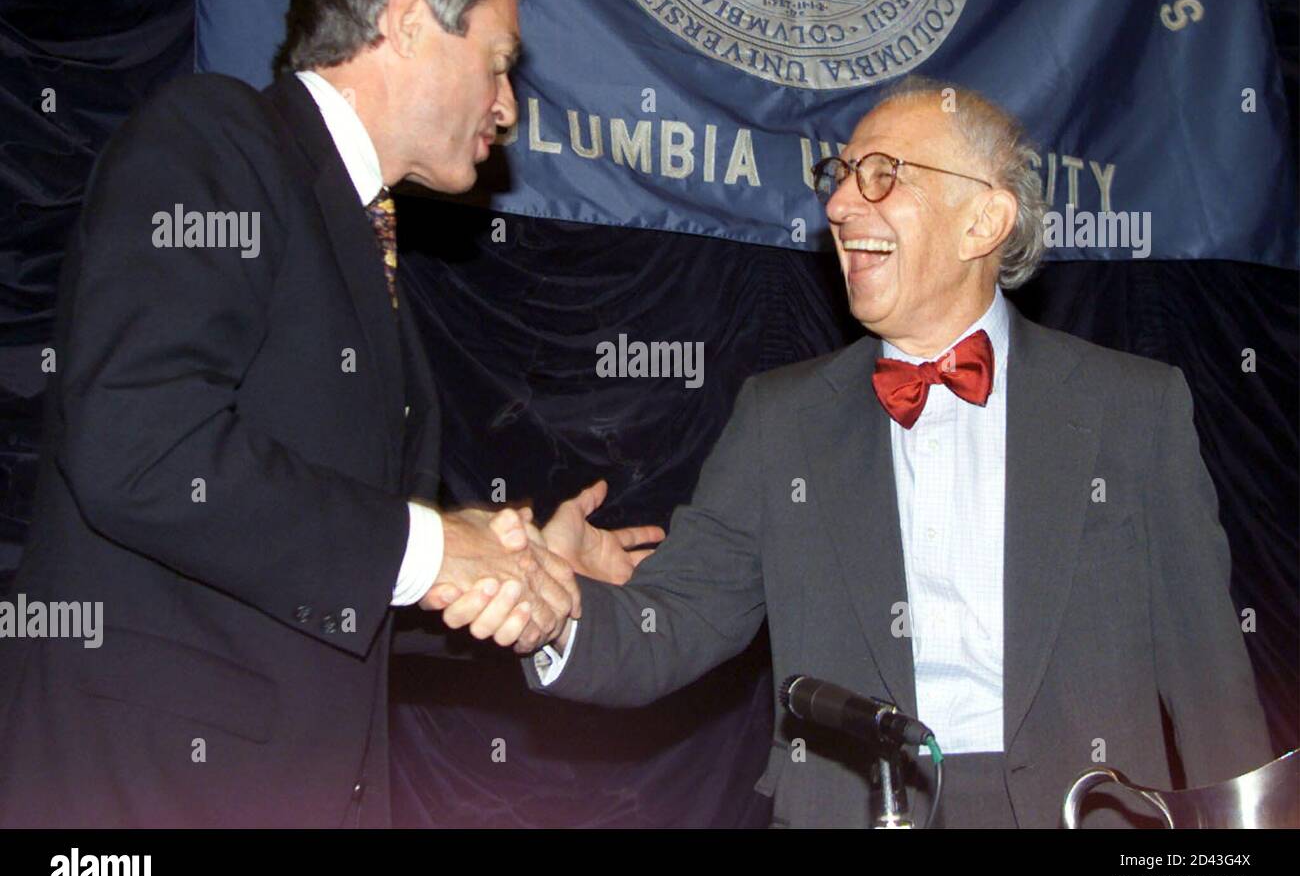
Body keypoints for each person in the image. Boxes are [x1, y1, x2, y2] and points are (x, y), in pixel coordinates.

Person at [0, 0, 653, 828]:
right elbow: (141, 448)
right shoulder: (215, 137)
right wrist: (434, 549)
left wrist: (522, 570)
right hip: (146, 794)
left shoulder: (362, 244)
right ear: (409, 20)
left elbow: (336, 580)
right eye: (499, 63)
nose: (508, 108)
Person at [509, 78, 1275, 827]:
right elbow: (675, 622)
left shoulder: (1132, 408)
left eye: (881, 175)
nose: (839, 205)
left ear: (983, 222)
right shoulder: (783, 420)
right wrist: (550, 605)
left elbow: (1210, 681)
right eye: (839, 177)